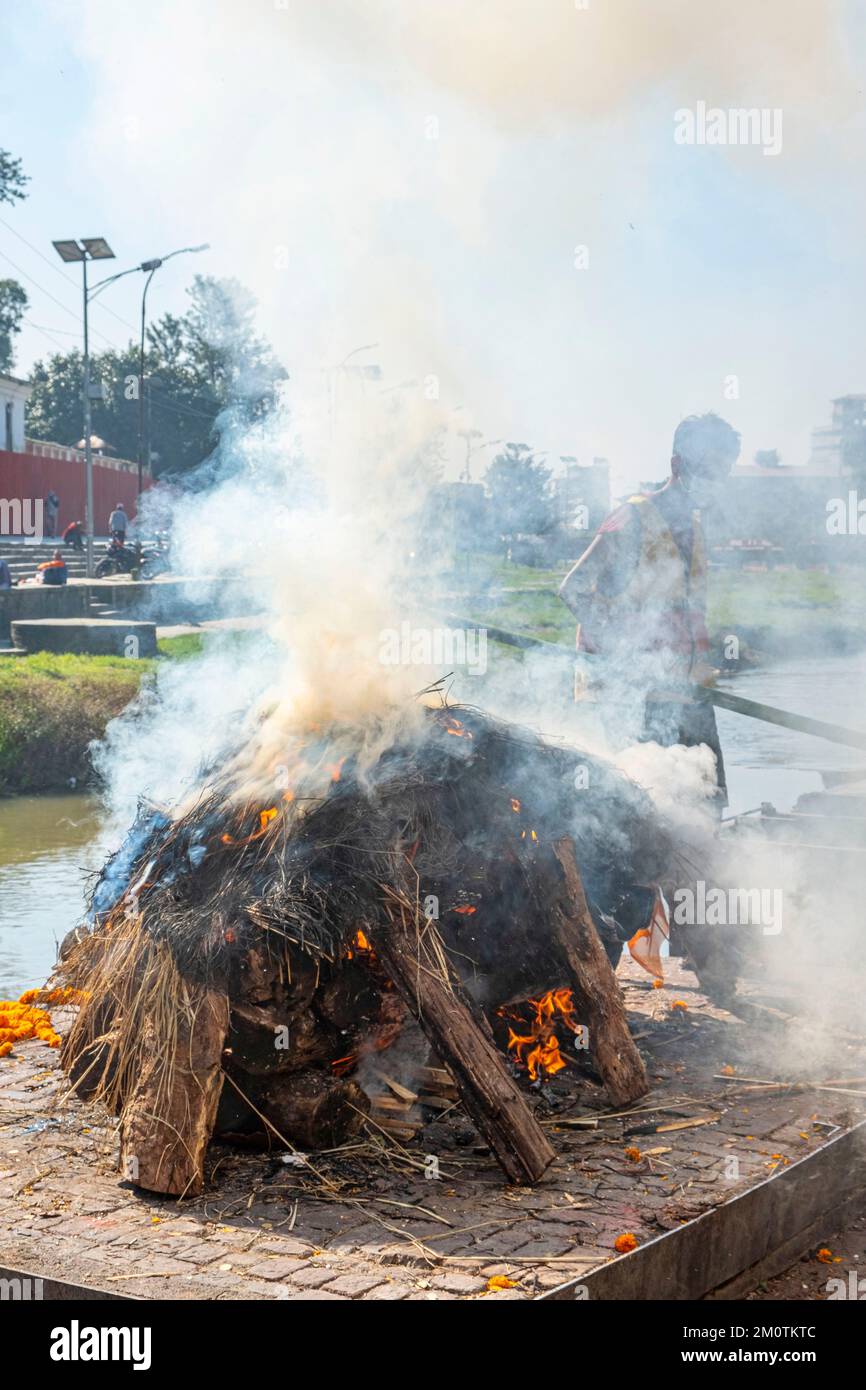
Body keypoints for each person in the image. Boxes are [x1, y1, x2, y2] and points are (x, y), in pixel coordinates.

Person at [559, 412, 741, 806]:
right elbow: (572, 589)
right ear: (677, 465)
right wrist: (620, 653)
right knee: (650, 808)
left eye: (722, 474)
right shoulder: (632, 519)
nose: (714, 483)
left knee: (710, 796)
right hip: (633, 695)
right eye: (707, 470)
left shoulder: (694, 526)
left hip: (686, 687)